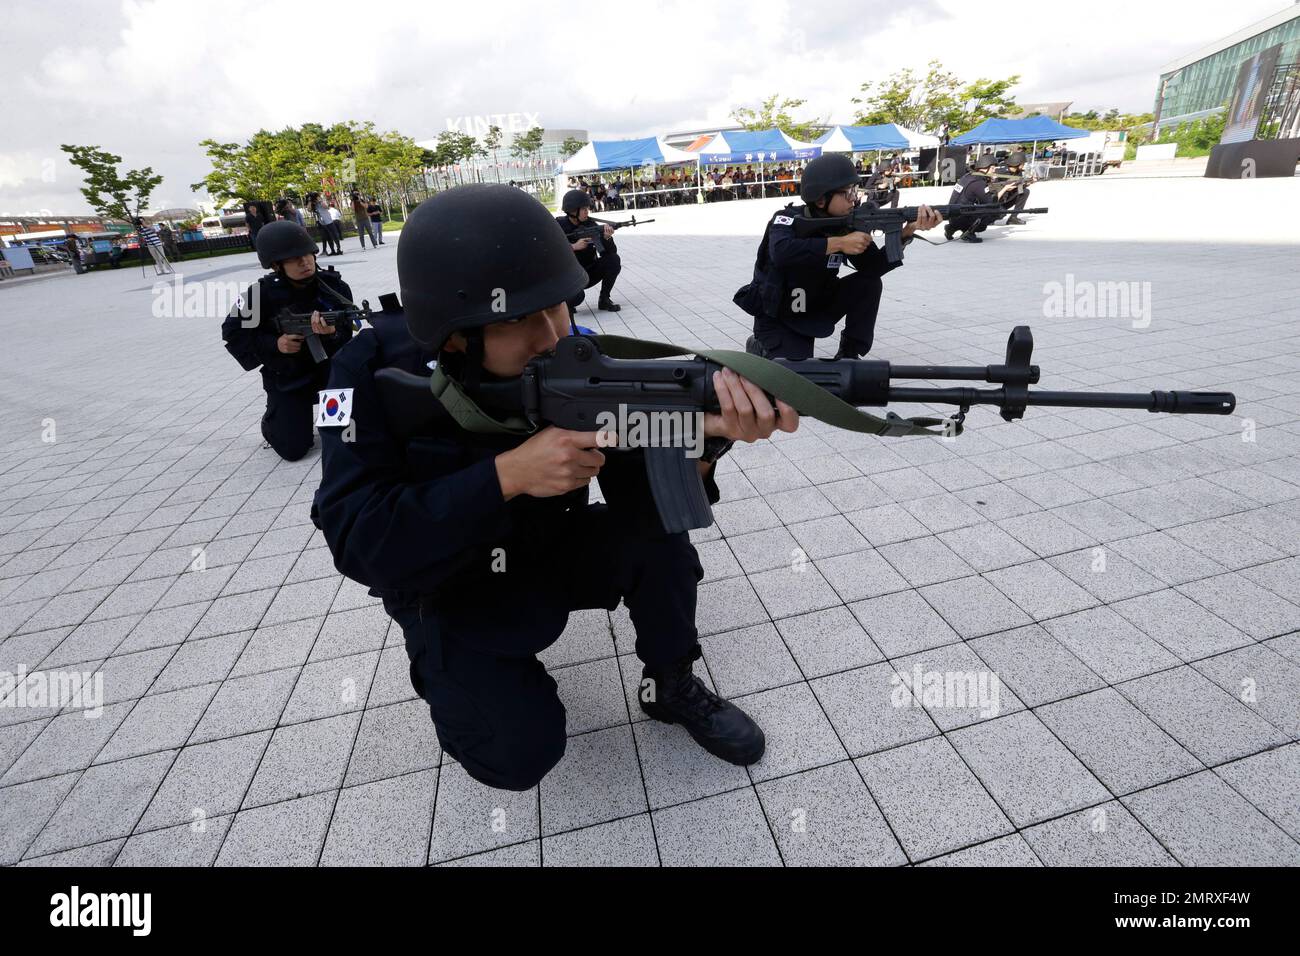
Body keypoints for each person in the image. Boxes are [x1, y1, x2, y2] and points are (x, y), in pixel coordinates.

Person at [311, 184, 800, 791]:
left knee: (664, 548)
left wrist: (704, 441)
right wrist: (507, 476)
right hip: (449, 579)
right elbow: (358, 539)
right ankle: (453, 675)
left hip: (550, 542)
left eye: (559, 306)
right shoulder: (366, 374)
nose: (551, 335)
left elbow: (648, 509)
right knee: (514, 754)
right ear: (453, 334)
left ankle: (670, 682)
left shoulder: (574, 356)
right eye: (517, 318)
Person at [734, 153, 941, 361]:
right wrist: (839, 243)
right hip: (780, 315)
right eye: (848, 193)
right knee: (796, 377)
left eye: (854, 191)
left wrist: (907, 232)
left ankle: (850, 352)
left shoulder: (846, 224)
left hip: (817, 303)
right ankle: (759, 345)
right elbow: (781, 252)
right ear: (822, 198)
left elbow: (873, 268)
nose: (854, 199)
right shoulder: (786, 218)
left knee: (869, 284)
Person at [220, 220, 356, 461]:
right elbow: (233, 334)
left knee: (346, 438)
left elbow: (347, 332)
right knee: (293, 448)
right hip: (289, 378)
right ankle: (272, 422)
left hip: (331, 375)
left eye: (307, 255)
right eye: (294, 259)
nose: (305, 262)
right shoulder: (258, 295)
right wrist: (275, 344)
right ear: (276, 265)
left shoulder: (332, 287)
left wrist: (332, 334)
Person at [556, 188, 622, 314]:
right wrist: (573, 247)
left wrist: (607, 238)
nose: (587, 212)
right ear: (573, 211)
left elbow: (609, 253)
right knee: (577, 298)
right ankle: (565, 305)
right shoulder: (558, 225)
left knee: (613, 260)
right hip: (570, 277)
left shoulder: (590, 224)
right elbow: (550, 250)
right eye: (584, 209)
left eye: (588, 209)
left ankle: (604, 299)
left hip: (589, 272)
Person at [943, 156, 1004, 243]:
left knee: (972, 208)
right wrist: (1005, 189)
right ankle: (968, 233)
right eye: (992, 168)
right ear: (985, 167)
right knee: (996, 211)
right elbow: (990, 203)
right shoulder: (978, 182)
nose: (994, 171)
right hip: (962, 216)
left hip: (953, 214)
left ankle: (951, 228)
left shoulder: (968, 176)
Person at [991, 150, 1034, 225]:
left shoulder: (1018, 172)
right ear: (1018, 163)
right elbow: (991, 189)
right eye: (1023, 164)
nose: (1023, 166)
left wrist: (1025, 184)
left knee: (1025, 191)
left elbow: (1019, 189)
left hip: (1007, 199)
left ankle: (1013, 217)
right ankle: (989, 217)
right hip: (996, 200)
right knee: (1000, 214)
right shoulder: (1000, 172)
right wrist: (1005, 188)